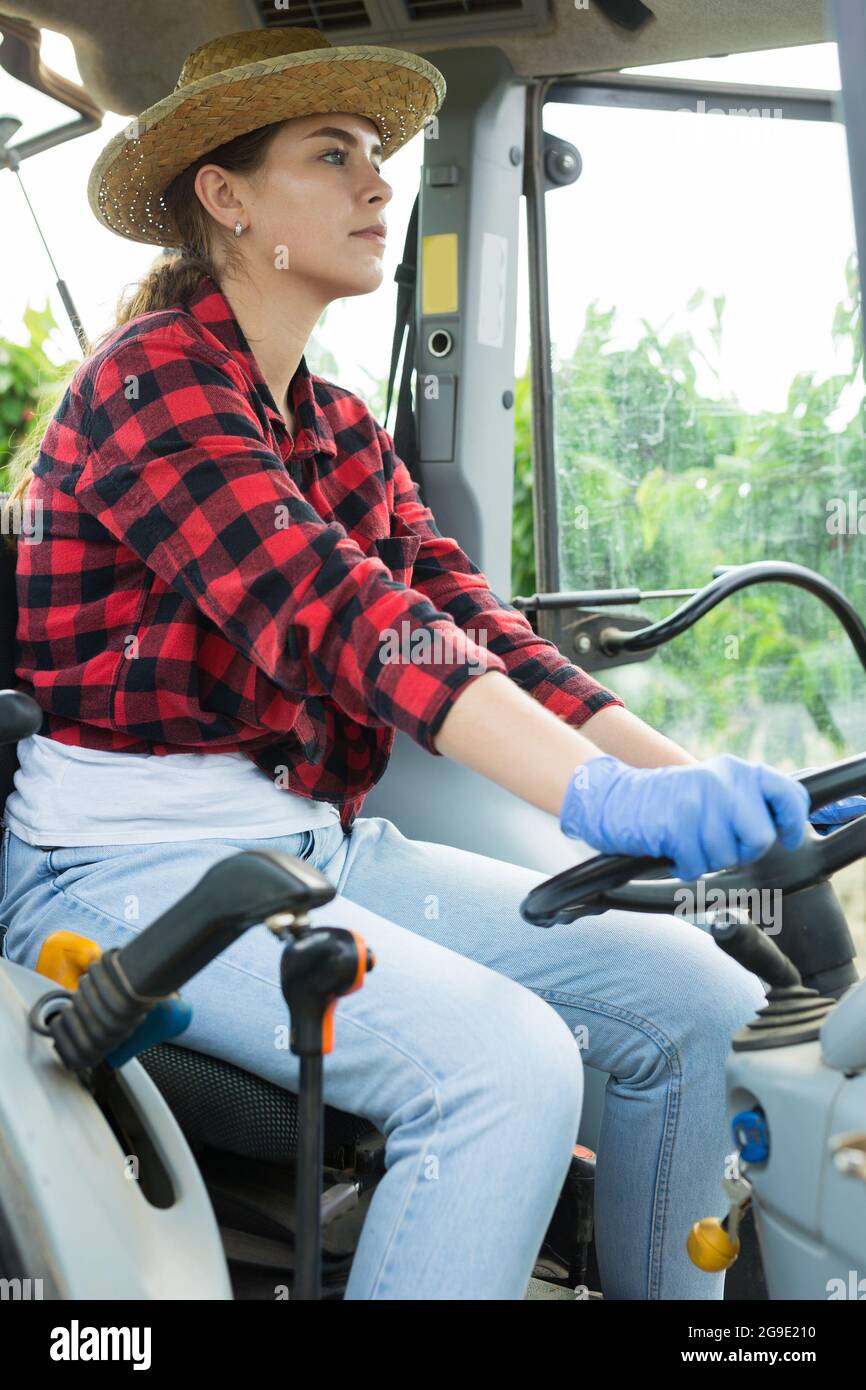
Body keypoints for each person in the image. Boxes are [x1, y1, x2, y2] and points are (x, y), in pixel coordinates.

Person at [0, 26, 824, 1301]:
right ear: (224, 197)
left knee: (700, 1001)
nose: (378, 184)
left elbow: (476, 627)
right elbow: (340, 615)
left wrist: (699, 784)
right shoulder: (148, 384)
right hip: (122, 876)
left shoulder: (332, 428)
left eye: (377, 155)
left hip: (311, 856)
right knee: (504, 1066)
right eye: (332, 156)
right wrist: (595, 802)